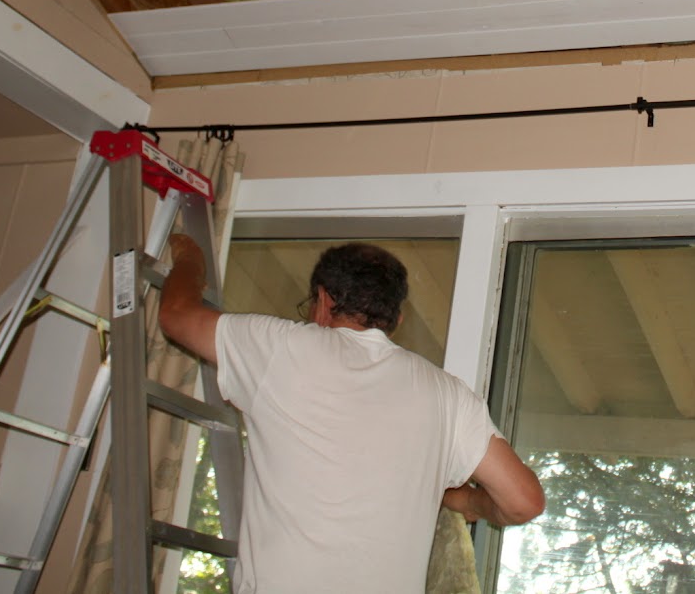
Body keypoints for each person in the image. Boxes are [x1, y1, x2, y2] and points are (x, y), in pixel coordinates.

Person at [158, 235, 544, 593]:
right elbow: (524, 501)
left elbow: (176, 314)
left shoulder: (282, 347)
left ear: (323, 301)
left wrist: (191, 258)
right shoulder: (448, 395)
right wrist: (469, 502)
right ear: (396, 320)